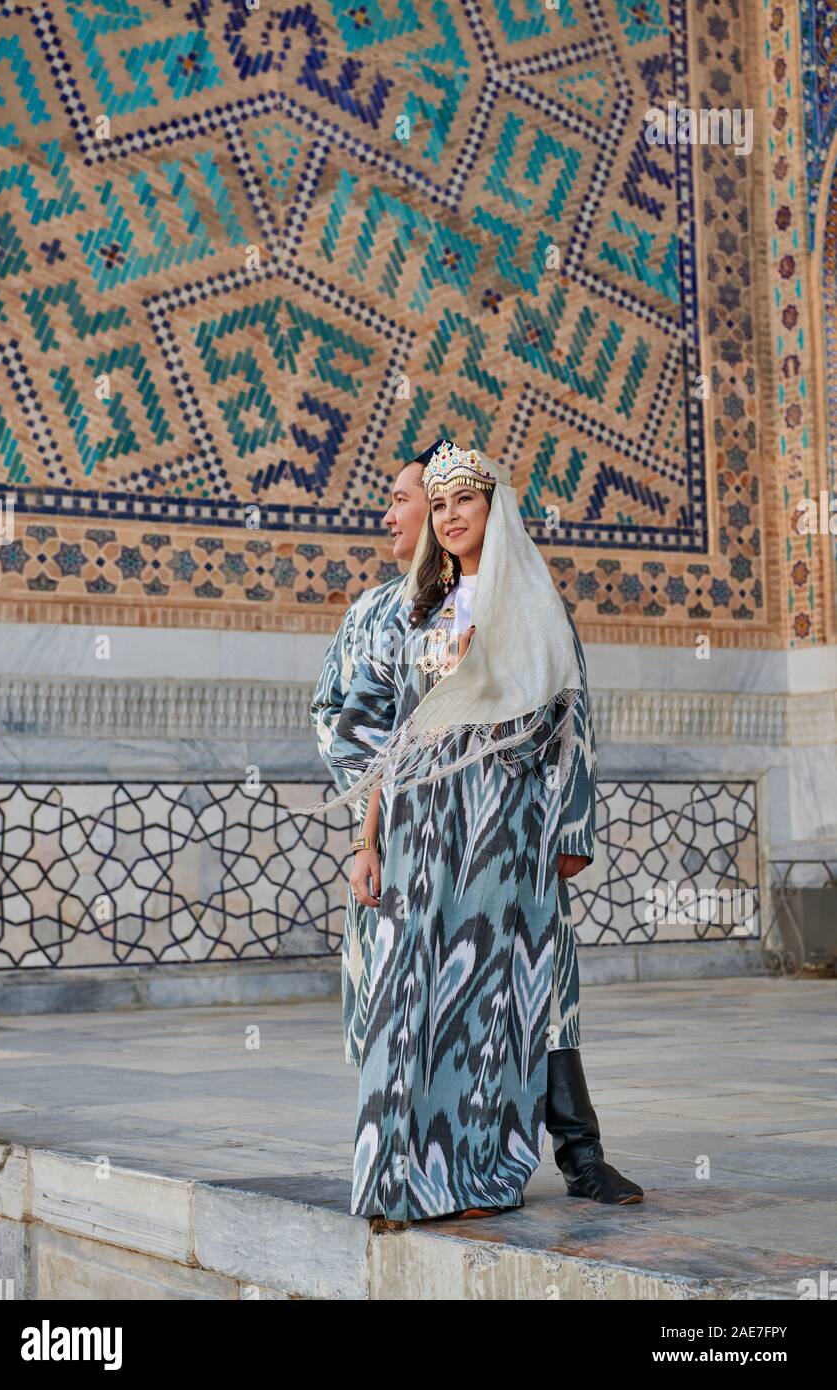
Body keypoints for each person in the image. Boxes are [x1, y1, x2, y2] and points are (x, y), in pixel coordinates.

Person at [306, 439, 642, 1224]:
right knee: (409, 1002)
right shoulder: (401, 609)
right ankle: (404, 1176)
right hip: (421, 835)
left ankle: (514, 1166)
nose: (438, 514)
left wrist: (568, 824)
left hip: (505, 835)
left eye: (461, 500)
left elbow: (568, 717)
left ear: (491, 507)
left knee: (502, 1006)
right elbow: (370, 724)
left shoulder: (528, 602)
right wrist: (367, 837)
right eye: (439, 501)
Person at [310, 453, 429, 1069]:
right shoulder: (369, 613)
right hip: (390, 842)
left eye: (400, 499)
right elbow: (331, 710)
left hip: (486, 845)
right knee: (390, 1007)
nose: (387, 516)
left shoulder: (507, 601)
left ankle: (576, 1149)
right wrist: (375, 818)